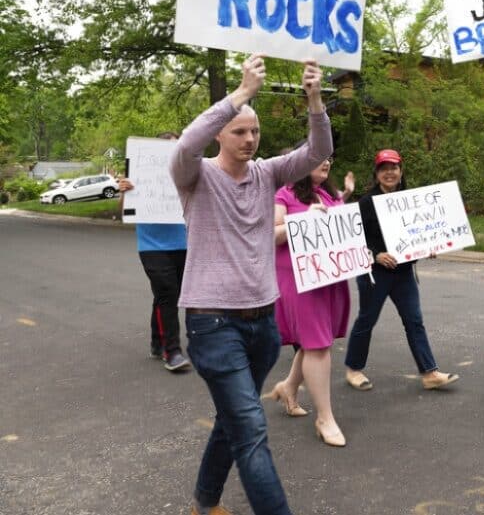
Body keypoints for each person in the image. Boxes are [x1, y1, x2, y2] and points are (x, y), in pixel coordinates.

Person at [170, 54, 332, 515]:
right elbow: (185, 145)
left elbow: (318, 152)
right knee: (251, 430)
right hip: (212, 324)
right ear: (220, 132)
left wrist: (315, 99)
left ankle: (205, 500)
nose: (249, 139)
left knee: (233, 420)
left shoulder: (267, 173)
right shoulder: (195, 175)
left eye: (254, 131)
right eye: (239, 130)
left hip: (263, 323)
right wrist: (241, 95)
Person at [343, 149, 460, 392]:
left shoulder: (410, 201)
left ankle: (430, 373)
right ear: (376, 173)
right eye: (384, 168)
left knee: (414, 320)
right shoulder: (366, 202)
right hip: (375, 274)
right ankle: (353, 369)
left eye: (393, 167)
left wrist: (428, 247)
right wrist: (376, 254)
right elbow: (353, 239)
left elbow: (418, 235)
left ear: (401, 171)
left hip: (404, 273)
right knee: (367, 319)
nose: (389, 172)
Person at [267, 157, 355, 448]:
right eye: (318, 157)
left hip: (327, 277)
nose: (327, 161)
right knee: (318, 345)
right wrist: (303, 220)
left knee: (316, 341)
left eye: (329, 157)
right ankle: (325, 418)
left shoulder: (329, 195)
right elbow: (271, 234)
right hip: (298, 280)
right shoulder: (284, 194)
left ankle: (289, 386)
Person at [118, 131, 190, 373]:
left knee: (168, 295)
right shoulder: (140, 173)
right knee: (167, 293)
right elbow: (124, 212)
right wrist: (124, 193)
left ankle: (157, 342)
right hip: (152, 246)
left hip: (184, 244)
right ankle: (173, 351)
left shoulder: (186, 175)